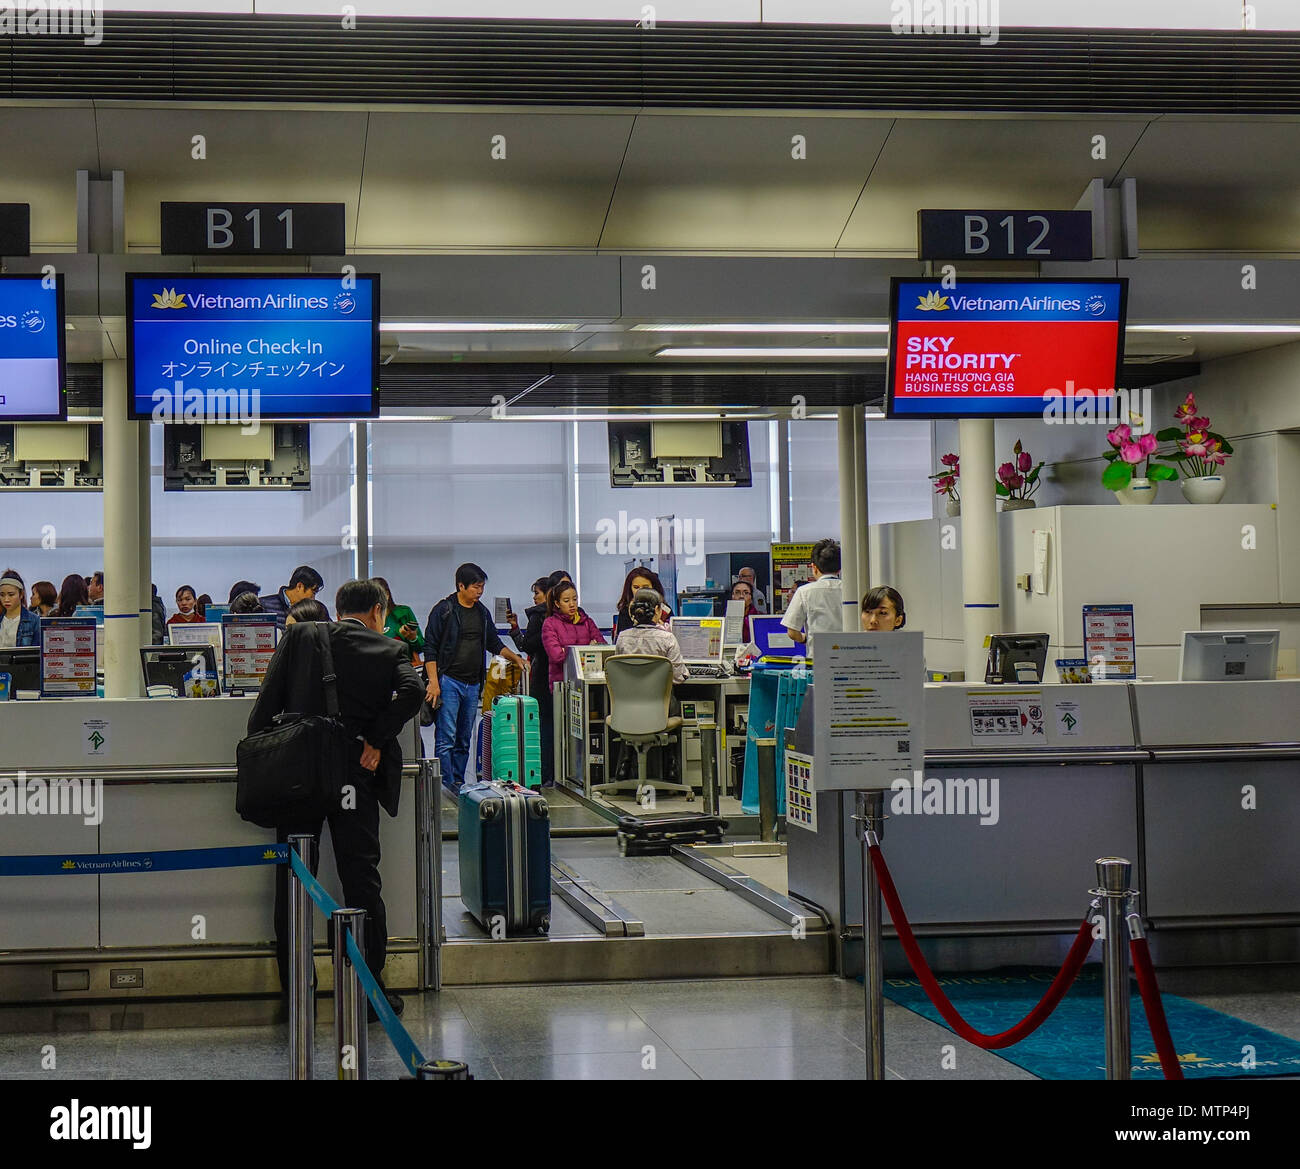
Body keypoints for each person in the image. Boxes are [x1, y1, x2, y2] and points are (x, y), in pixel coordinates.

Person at [250, 578, 423, 1019]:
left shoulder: (301, 636)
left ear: (338, 607)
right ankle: (367, 991)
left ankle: (298, 991)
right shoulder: (389, 650)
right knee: (361, 878)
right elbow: (414, 693)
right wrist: (375, 737)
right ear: (378, 612)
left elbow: (262, 712)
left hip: (300, 780)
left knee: (294, 881)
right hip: (355, 777)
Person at [423, 563, 527, 793]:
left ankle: (458, 783)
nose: (479, 591)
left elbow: (494, 643)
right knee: (446, 737)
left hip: (472, 685)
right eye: (475, 587)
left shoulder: (481, 612)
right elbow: (429, 647)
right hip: (449, 681)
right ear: (461, 585)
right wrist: (434, 682)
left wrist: (515, 658)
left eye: (481, 587)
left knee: (463, 738)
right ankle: (445, 784)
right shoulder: (444, 610)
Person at [511, 575, 557, 784]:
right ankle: (556, 773)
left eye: (536, 593)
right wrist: (514, 629)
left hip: (542, 678)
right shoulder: (563, 618)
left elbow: (528, 645)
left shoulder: (540, 617)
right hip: (559, 680)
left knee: (544, 728)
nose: (534, 598)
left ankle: (545, 774)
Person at [542, 579, 606, 691]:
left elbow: (602, 648)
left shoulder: (587, 621)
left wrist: (566, 650)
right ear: (557, 603)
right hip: (562, 685)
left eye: (575, 599)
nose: (572, 604)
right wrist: (588, 651)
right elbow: (556, 656)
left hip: (589, 683)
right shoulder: (550, 623)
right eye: (566, 601)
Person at [614, 588, 688, 684]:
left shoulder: (622, 637)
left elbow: (618, 673)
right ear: (657, 610)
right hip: (660, 698)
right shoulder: (667, 638)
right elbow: (678, 678)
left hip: (628, 697)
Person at [782, 538, 842, 649]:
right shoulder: (852, 591)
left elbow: (792, 632)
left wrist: (805, 639)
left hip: (818, 658)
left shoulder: (804, 592)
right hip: (850, 658)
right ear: (839, 569)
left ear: (814, 567)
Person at [373, 576, 424, 664]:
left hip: (403, 669)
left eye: (377, 595)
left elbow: (421, 647)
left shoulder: (403, 613)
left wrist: (413, 638)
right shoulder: (366, 618)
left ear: (387, 595)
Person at [259, 566, 327, 626]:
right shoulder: (263, 605)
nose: (313, 599)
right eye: (313, 592)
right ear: (299, 586)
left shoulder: (314, 610)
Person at [614, 567, 670, 636]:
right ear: (630, 588)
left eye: (645, 587)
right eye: (636, 587)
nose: (640, 591)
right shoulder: (625, 610)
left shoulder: (664, 609)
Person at [0, 570, 41, 648]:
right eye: (2, 595)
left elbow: (36, 654)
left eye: (11, 595)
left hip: (23, 660)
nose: (6, 599)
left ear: (21, 594)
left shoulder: (34, 620)